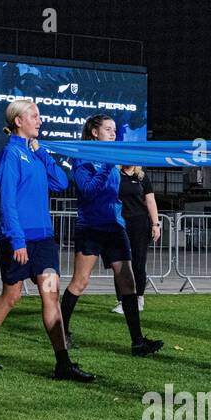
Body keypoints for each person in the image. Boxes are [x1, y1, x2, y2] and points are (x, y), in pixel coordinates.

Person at [0, 99, 95, 382]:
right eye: (34, 116)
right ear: (18, 121)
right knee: (11, 297)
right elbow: (7, 202)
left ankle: (63, 363)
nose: (40, 121)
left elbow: (61, 184)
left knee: (50, 294)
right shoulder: (10, 155)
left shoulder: (34, 153)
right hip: (18, 239)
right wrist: (17, 241)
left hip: (44, 239)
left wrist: (43, 156)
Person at [59, 115, 164, 357]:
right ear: (94, 133)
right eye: (108, 129)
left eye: (115, 129)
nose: (113, 133)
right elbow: (88, 191)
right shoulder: (83, 157)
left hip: (114, 226)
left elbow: (115, 191)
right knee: (80, 281)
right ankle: (62, 332)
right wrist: (107, 164)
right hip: (91, 227)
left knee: (128, 281)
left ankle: (138, 342)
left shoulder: (114, 159)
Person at [116, 164, 161, 315]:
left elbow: (151, 201)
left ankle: (139, 298)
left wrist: (156, 224)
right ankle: (122, 301)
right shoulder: (115, 174)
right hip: (120, 224)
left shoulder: (142, 177)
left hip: (140, 224)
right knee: (120, 264)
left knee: (138, 264)